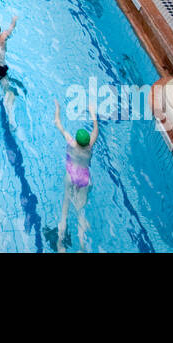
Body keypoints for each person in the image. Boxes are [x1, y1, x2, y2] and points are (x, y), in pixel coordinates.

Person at [55, 98, 98, 253]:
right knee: (81, 212)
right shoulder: (90, 145)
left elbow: (58, 123)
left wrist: (58, 109)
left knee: (65, 211)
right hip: (86, 180)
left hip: (71, 177)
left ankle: (61, 245)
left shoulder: (71, 143)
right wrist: (92, 113)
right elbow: (95, 129)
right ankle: (81, 247)